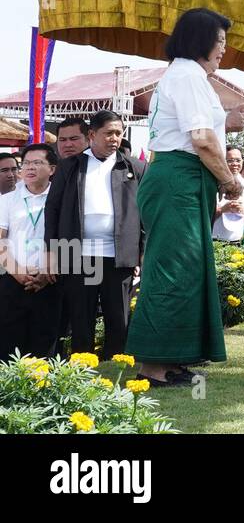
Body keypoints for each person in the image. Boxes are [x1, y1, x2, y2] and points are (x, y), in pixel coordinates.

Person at [126, 7, 244, 385]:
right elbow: (200, 140)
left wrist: (227, 122)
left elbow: (199, 131)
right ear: (201, 41)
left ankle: (172, 358)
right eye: (220, 43)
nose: (223, 51)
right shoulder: (187, 75)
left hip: (183, 180)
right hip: (178, 180)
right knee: (172, 268)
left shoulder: (188, 76)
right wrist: (230, 180)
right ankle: (153, 366)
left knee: (186, 268)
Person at [44, 111, 147, 356]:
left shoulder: (135, 167)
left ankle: (116, 365)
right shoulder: (70, 166)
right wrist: (51, 252)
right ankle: (82, 368)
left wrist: (140, 254)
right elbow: (53, 209)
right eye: (108, 133)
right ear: (92, 135)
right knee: (81, 318)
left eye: (119, 133)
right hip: (77, 255)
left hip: (118, 256)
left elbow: (145, 214)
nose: (114, 139)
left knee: (118, 317)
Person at [0, 143, 60, 359]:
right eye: (25, 164)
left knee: (44, 345)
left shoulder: (61, 197)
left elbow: (68, 236)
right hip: (13, 279)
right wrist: (17, 272)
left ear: (52, 169)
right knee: (8, 345)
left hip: (50, 280)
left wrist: (46, 272)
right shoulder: (6, 200)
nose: (29, 168)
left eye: (37, 163)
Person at [213, 147, 244, 243]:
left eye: (238, 160)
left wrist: (243, 212)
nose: (234, 164)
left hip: (242, 245)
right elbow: (201, 217)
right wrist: (222, 210)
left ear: (242, 162)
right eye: (230, 160)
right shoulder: (212, 185)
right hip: (215, 243)